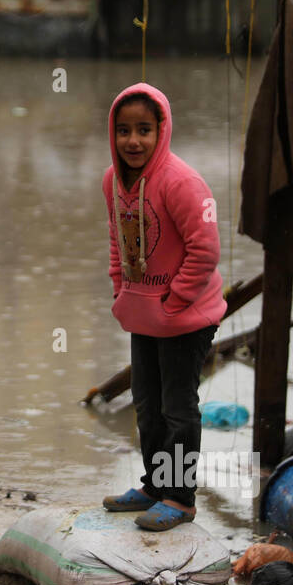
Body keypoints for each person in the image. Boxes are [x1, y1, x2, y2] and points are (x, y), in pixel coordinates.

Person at [99, 83, 226, 531]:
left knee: (178, 409)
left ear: (163, 130)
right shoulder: (113, 182)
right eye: (124, 130)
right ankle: (154, 486)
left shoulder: (182, 182)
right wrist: (122, 292)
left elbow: (205, 249)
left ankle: (180, 498)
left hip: (185, 316)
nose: (133, 141)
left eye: (145, 130)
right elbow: (118, 242)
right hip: (143, 312)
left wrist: (174, 300)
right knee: (146, 406)